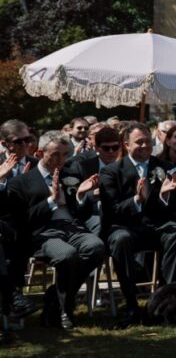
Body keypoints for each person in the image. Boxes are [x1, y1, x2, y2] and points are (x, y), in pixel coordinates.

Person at [5, 131, 105, 330]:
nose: (61, 160)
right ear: (40, 153)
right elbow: (22, 220)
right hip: (42, 233)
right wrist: (51, 201)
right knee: (67, 255)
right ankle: (64, 308)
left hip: (73, 228)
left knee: (96, 247)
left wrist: (81, 196)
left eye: (65, 154)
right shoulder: (21, 182)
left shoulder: (71, 175)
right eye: (55, 154)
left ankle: (56, 295)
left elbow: (82, 214)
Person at [100, 122, 176, 328]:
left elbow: (172, 210)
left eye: (148, 141)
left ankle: (162, 301)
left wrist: (164, 195)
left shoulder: (165, 168)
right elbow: (113, 210)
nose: (145, 146)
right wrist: (137, 200)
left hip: (155, 226)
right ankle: (131, 305)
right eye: (139, 142)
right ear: (127, 145)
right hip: (124, 227)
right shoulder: (112, 171)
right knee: (121, 240)